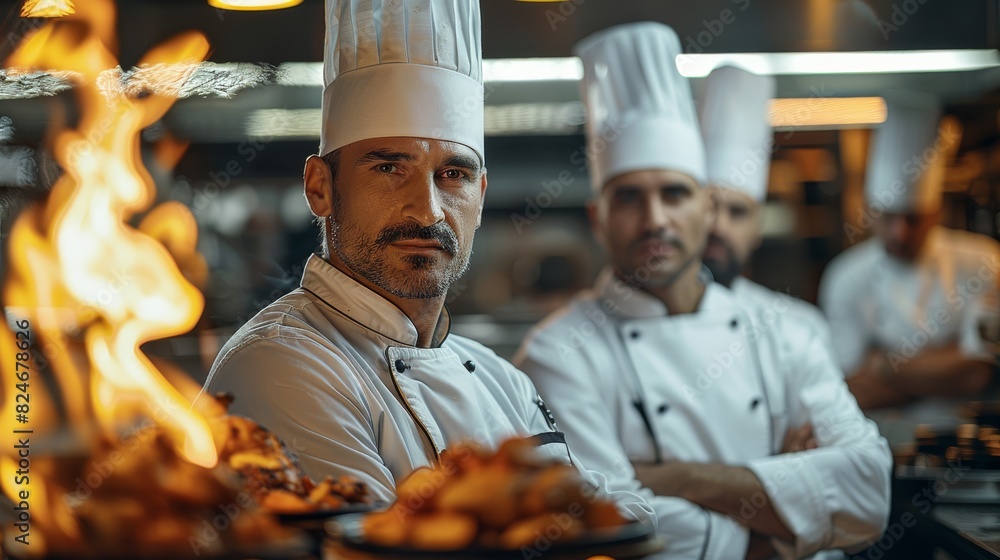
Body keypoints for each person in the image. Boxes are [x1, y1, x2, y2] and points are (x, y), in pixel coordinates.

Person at [199, 0, 651, 525]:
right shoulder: (279, 362)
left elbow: (615, 517)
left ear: (480, 195)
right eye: (390, 167)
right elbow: (373, 549)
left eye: (454, 175)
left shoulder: (502, 381)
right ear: (319, 188)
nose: (428, 210)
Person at [515, 22, 891, 559]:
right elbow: (610, 522)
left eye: (675, 193)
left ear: (707, 207)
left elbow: (870, 490)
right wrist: (787, 517)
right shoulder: (556, 353)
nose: (655, 219)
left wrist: (666, 479)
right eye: (628, 198)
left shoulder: (785, 331)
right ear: (598, 219)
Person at [819, 96, 1000, 446]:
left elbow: (976, 375)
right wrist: (944, 365)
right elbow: (850, 390)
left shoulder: (984, 262)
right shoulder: (845, 276)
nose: (900, 233)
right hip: (882, 447)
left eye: (913, 219)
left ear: (936, 209)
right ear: (871, 209)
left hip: (971, 448)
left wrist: (884, 367)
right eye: (888, 217)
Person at [698, 66, 831, 347]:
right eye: (707, 207)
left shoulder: (800, 329)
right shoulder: (648, 323)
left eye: (737, 212)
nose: (718, 226)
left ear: (758, 226)